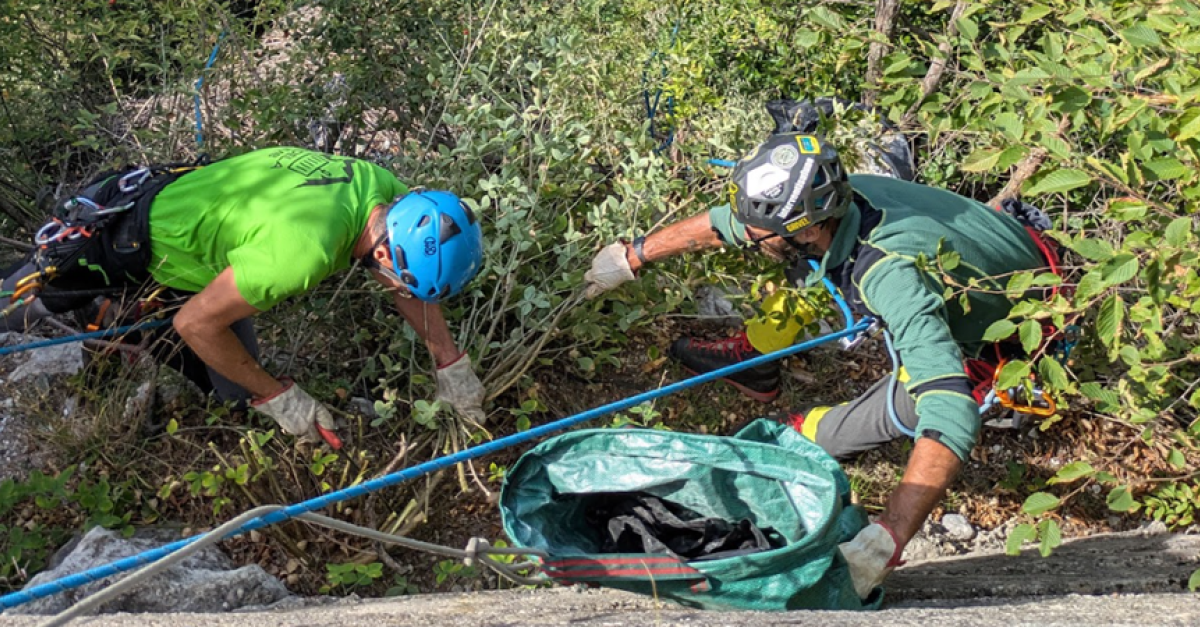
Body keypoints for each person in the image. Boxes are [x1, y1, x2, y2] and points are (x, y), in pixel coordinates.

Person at [582, 131, 1057, 599]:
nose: (747, 238)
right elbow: (730, 223)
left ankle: (808, 441)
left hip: (1018, 337)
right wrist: (632, 257)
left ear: (809, 228)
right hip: (1014, 250)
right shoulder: (847, 196)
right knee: (801, 272)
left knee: (902, 409)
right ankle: (789, 414)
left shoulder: (889, 273)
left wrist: (887, 538)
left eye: (760, 233)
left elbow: (949, 410)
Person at [1, 147, 487, 449]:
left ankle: (123, 320)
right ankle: (110, 313)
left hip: (189, 227)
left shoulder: (388, 194)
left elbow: (415, 281)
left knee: (234, 391)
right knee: (14, 309)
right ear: (383, 249)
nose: (397, 291)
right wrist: (282, 398)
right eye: (397, 281)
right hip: (120, 238)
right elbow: (193, 324)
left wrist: (450, 363)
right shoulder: (301, 253)